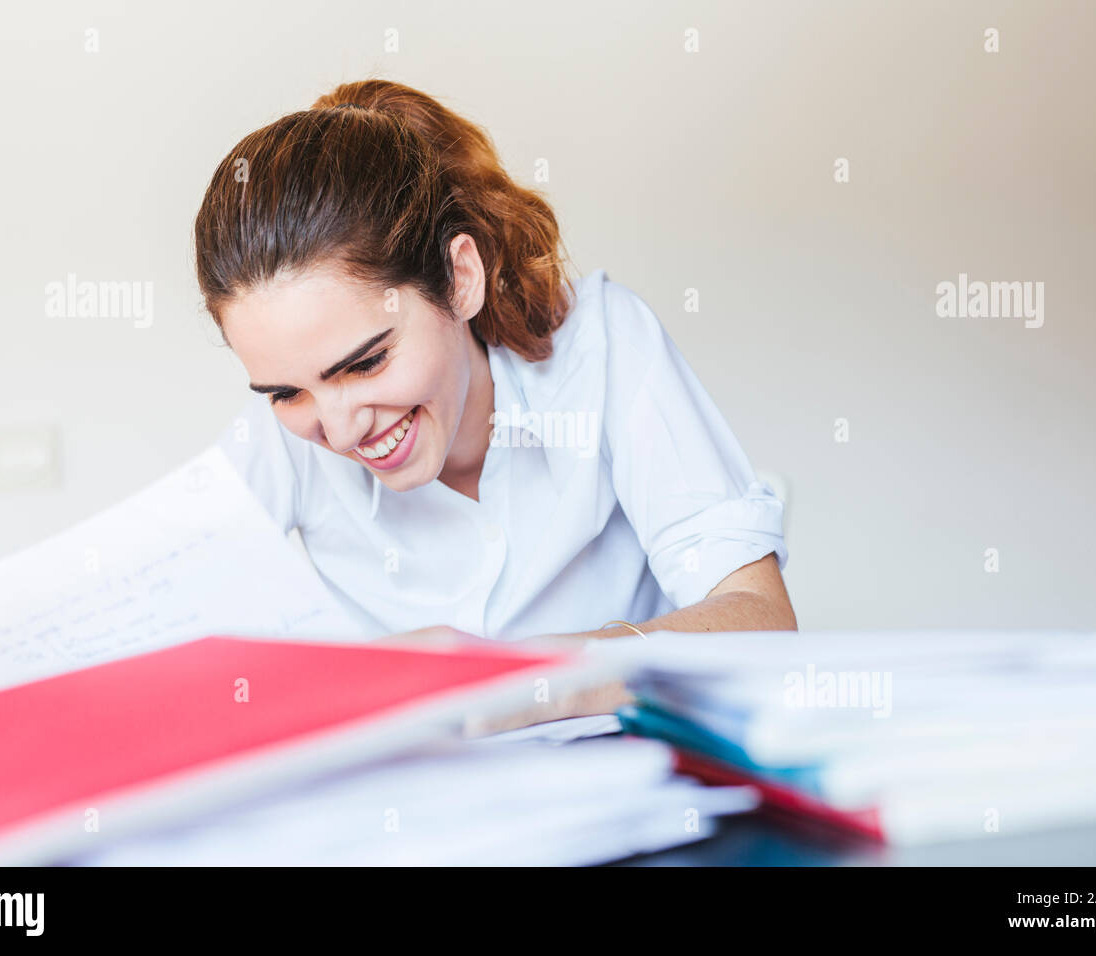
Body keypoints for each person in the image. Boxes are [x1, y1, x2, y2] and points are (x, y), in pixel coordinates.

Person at [194, 79, 796, 731]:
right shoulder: (282, 439)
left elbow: (758, 619)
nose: (338, 429)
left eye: (367, 362)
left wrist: (527, 680)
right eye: (286, 391)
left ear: (460, 280)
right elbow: (163, 648)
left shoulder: (603, 346)